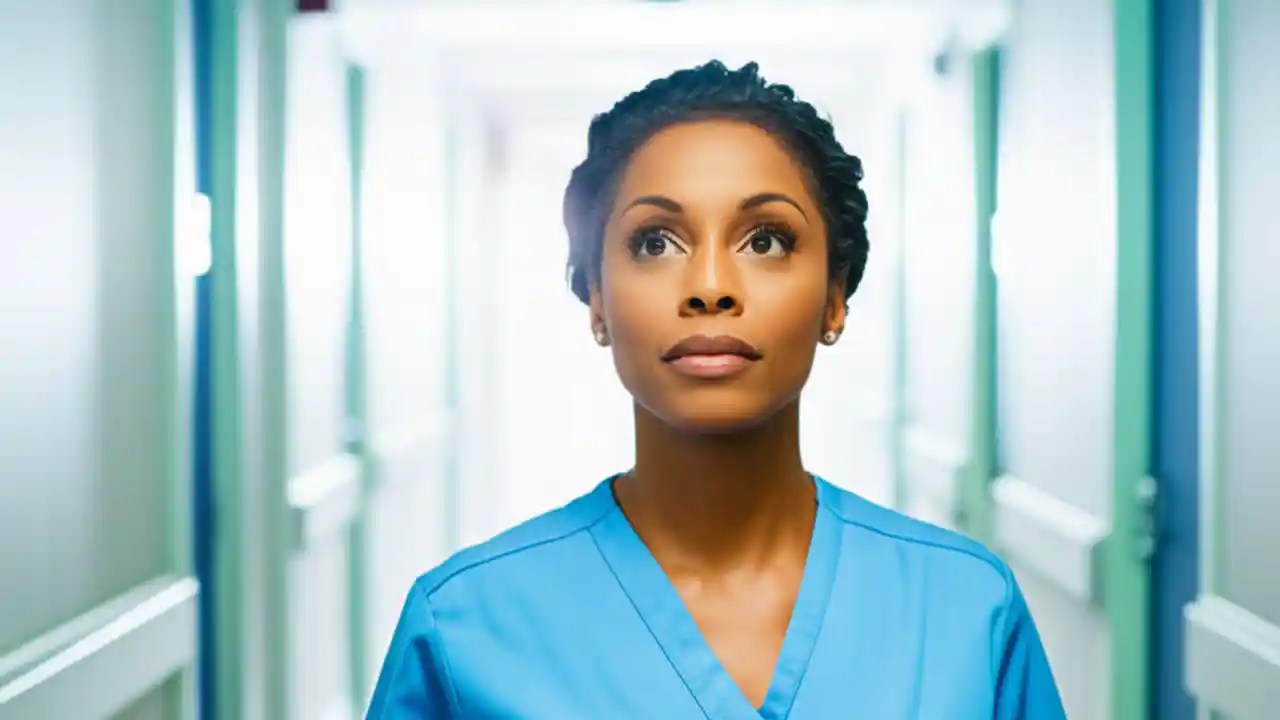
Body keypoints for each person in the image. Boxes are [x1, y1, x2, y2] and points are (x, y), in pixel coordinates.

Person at [366, 60, 1065, 719]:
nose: (708, 288)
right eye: (654, 242)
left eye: (765, 240)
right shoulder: (461, 627)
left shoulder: (968, 609)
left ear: (835, 300)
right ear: (599, 303)